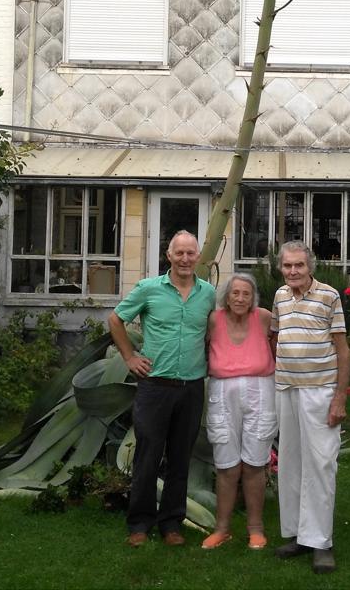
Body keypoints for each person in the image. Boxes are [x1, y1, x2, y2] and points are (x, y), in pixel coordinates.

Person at [108, 230, 215, 548]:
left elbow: (212, 332)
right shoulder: (148, 289)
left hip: (192, 387)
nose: (185, 259)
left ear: (198, 257)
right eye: (179, 253)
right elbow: (116, 320)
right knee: (148, 456)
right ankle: (139, 523)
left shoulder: (207, 293)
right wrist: (129, 356)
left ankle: (171, 523)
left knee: (182, 457)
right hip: (155, 387)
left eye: (190, 253)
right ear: (168, 255)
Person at [270, 241, 350, 576]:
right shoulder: (279, 297)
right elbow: (276, 336)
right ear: (281, 268)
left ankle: (321, 542)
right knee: (291, 464)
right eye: (287, 266)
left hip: (320, 391)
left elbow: (343, 352)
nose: (293, 271)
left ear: (310, 266)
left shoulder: (329, 296)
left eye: (299, 265)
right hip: (287, 389)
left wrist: (340, 398)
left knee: (321, 464)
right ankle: (298, 535)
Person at [202, 272, 276, 551]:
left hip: (260, 391)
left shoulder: (265, 317)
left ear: (253, 297)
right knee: (226, 464)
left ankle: (255, 529)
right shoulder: (214, 319)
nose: (240, 298)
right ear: (227, 296)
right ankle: (222, 529)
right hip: (222, 393)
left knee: (255, 463)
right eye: (235, 293)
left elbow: (280, 345)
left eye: (246, 293)